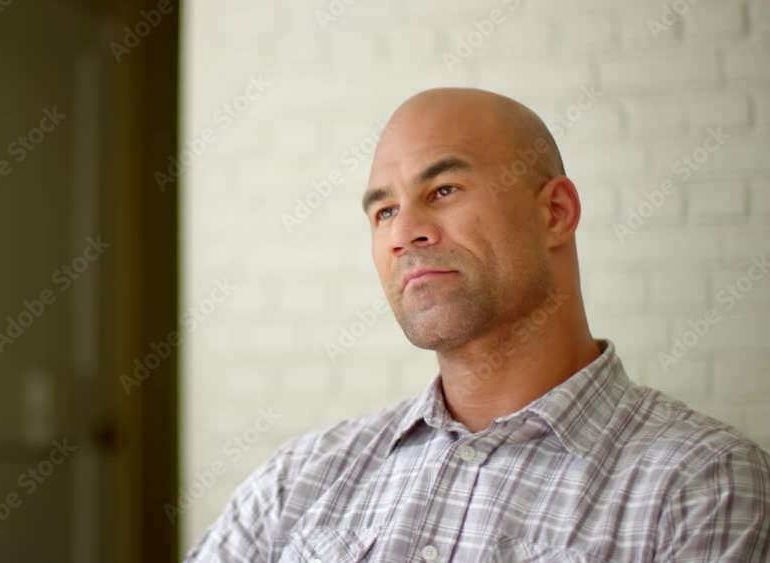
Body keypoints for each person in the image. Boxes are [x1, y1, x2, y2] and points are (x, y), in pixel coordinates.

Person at [184, 88, 770, 562]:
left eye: (442, 190)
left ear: (555, 213)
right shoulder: (299, 479)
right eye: (383, 210)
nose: (402, 232)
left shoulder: (701, 484)